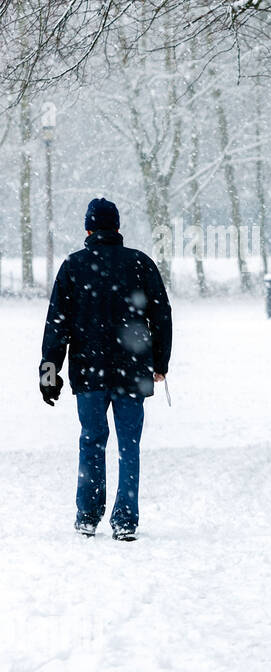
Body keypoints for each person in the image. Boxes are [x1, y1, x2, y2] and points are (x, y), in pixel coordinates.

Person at [39, 198, 173, 541]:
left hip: (89, 372)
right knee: (130, 446)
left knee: (92, 441)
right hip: (132, 370)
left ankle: (87, 515)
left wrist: (49, 375)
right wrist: (160, 362)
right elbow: (161, 315)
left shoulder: (73, 267)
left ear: (88, 229)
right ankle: (125, 520)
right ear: (116, 228)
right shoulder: (140, 264)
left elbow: (57, 325)